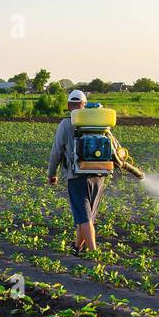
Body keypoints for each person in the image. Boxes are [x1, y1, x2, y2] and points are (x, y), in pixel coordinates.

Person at [47, 89, 106, 253]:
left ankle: (94, 252)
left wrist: (52, 174)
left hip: (77, 175)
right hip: (99, 174)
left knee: (84, 216)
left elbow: (57, 151)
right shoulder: (97, 122)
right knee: (86, 214)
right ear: (85, 104)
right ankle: (77, 247)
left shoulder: (66, 124)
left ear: (68, 105)